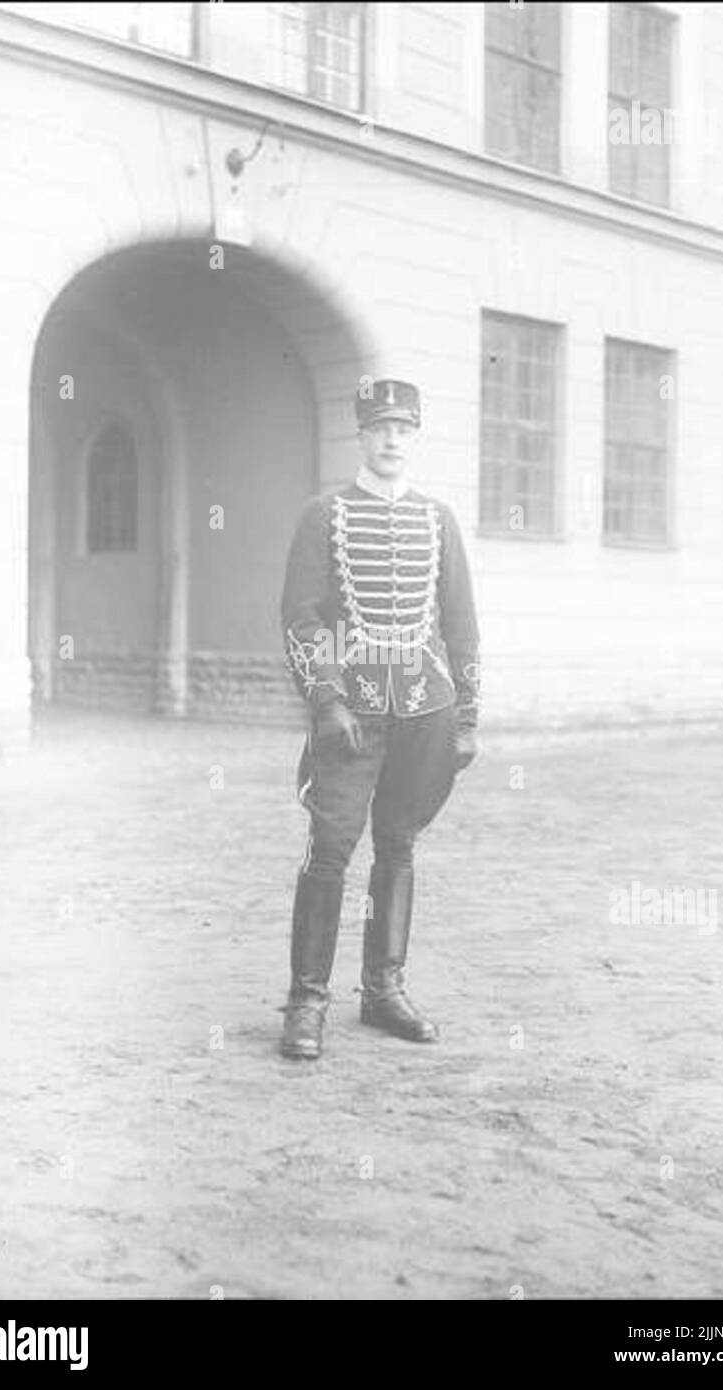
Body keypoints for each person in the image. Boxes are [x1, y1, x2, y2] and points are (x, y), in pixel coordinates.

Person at [279, 377, 480, 1060]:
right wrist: (327, 699)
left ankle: (383, 992)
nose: (393, 439)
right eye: (380, 428)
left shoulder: (437, 518)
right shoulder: (324, 514)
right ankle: (307, 1001)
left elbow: (461, 624)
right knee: (332, 848)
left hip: (426, 710)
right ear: (361, 434)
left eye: (404, 429)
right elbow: (301, 619)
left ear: (414, 437)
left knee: (398, 845)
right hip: (351, 717)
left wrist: (468, 717)